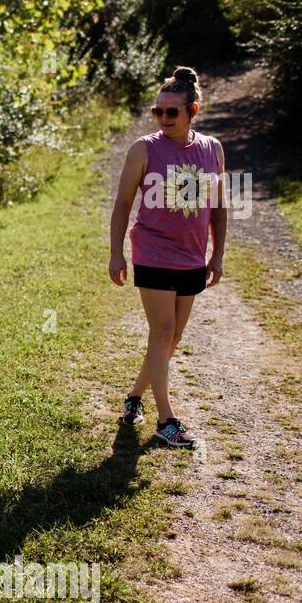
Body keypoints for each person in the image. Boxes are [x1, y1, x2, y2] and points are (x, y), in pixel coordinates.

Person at [108, 66, 226, 449]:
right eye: (157, 111)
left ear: (193, 110)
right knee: (161, 332)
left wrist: (218, 253)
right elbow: (124, 201)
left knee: (171, 338)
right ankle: (167, 420)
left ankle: (133, 399)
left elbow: (218, 205)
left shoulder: (212, 149)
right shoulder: (145, 148)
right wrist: (116, 252)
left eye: (171, 112)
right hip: (153, 251)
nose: (162, 119)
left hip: (192, 256)